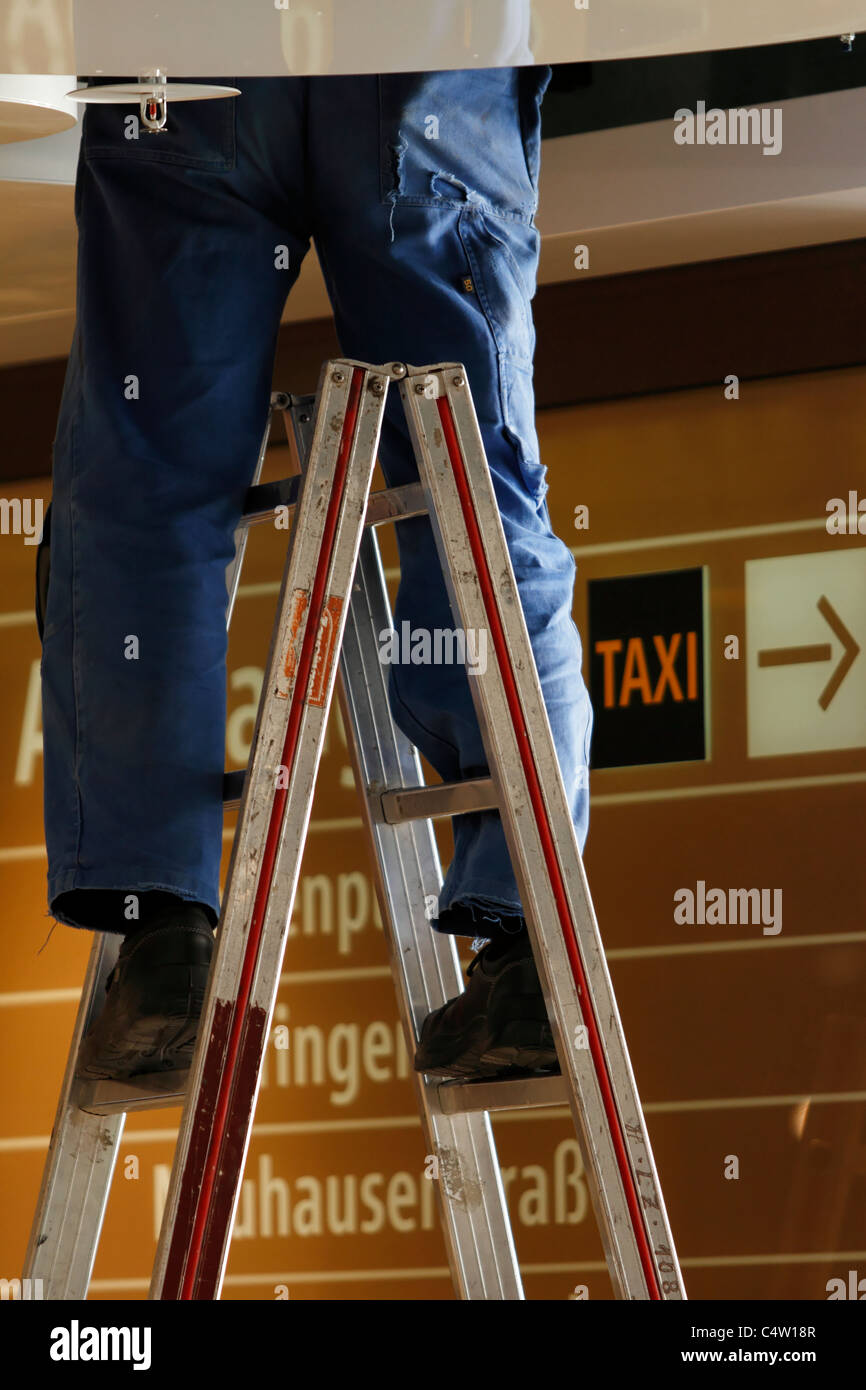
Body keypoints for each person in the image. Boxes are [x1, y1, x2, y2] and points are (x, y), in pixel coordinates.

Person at [37, 66, 593, 1083]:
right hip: (429, 44)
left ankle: (159, 939)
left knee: (147, 482)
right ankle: (528, 956)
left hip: (193, 53)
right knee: (476, 484)